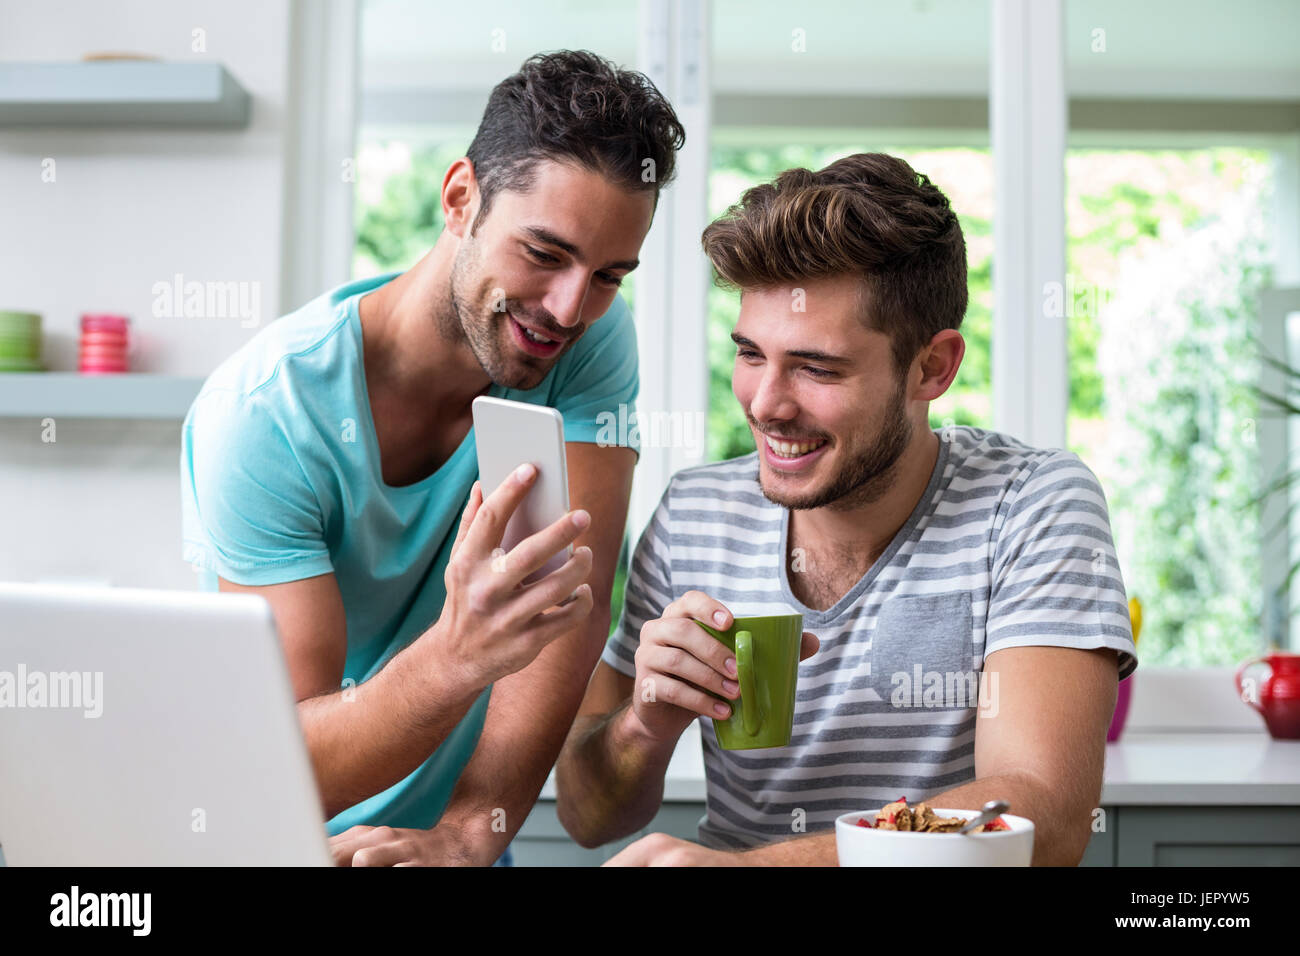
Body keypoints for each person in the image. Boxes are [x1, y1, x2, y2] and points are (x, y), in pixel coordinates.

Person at [555, 152, 1138, 866]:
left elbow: (1039, 816)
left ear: (932, 367)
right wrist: (645, 723)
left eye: (816, 367)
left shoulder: (1032, 505)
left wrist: (752, 870)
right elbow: (587, 819)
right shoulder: (695, 513)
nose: (766, 404)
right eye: (750, 354)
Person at [179, 50, 685, 866]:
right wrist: (460, 652)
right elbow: (290, 760)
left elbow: (572, 605)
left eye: (609, 276)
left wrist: (465, 834)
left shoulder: (589, 340)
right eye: (545, 254)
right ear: (461, 199)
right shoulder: (265, 416)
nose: (569, 309)